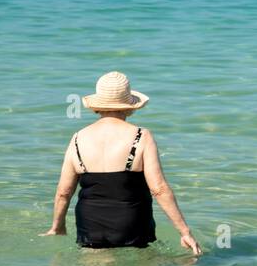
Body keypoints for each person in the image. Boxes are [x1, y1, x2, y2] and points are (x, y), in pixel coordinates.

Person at [42, 72, 200, 254]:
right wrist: (185, 232)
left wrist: (57, 226)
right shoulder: (141, 136)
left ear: (97, 106)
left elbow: (64, 192)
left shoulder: (78, 138)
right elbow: (159, 189)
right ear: (129, 107)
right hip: (131, 222)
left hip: (90, 223)